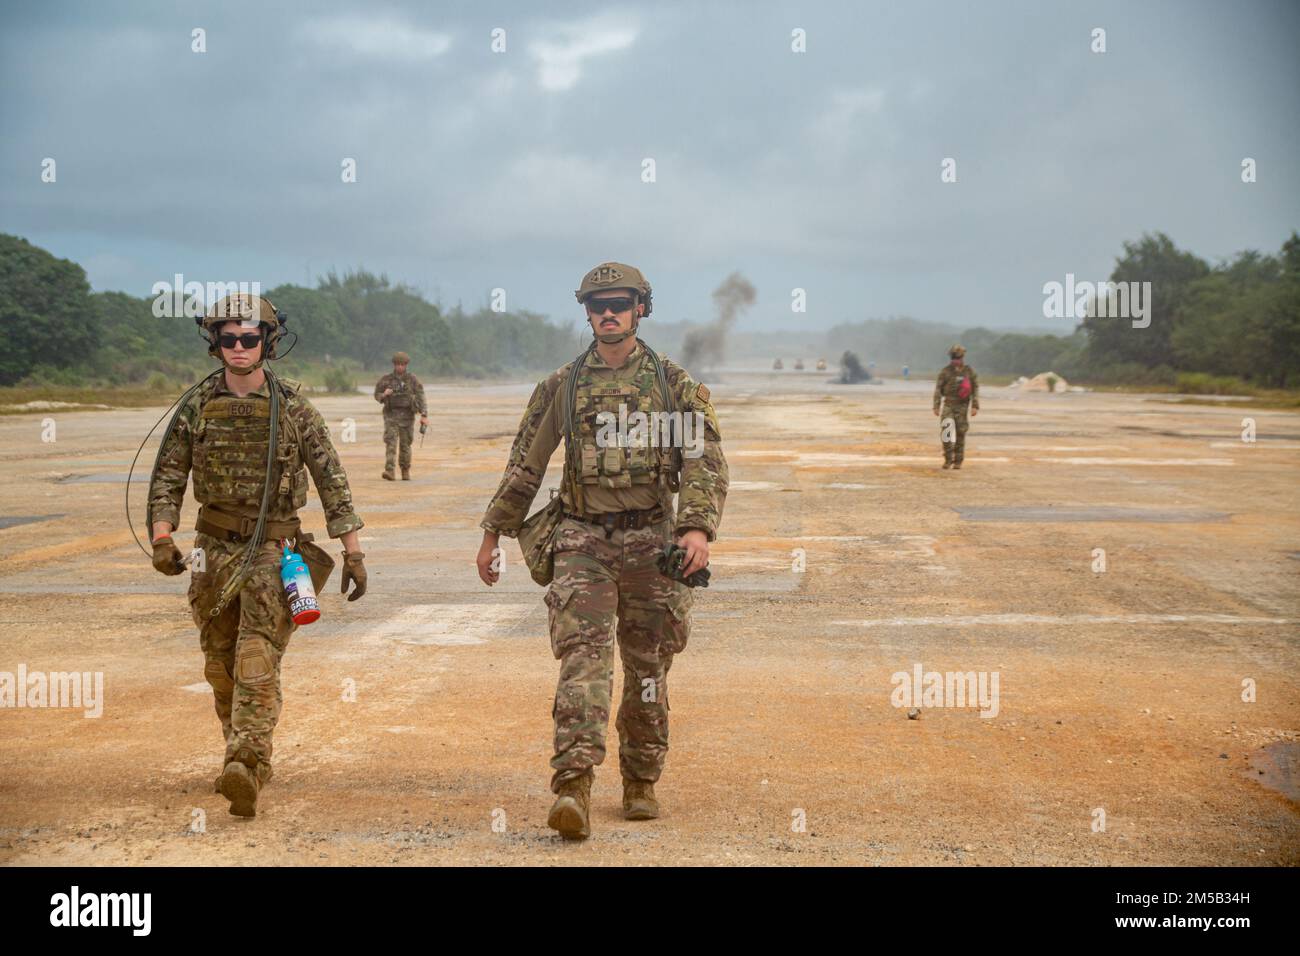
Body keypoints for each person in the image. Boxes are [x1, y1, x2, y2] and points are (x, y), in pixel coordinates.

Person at [475, 262, 728, 839]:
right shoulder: (563, 386)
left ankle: (640, 779)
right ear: (585, 312)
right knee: (582, 663)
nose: (607, 312)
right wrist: (494, 532)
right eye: (596, 304)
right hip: (583, 539)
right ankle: (573, 786)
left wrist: (696, 529)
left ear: (642, 308)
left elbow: (704, 462)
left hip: (652, 542)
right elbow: (526, 464)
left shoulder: (672, 385)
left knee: (647, 668)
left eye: (619, 302)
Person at [148, 293, 368, 817]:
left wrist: (353, 552)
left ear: (267, 342)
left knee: (256, 657)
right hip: (210, 550)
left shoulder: (293, 408)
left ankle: (248, 761)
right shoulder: (196, 407)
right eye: (229, 339)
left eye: (250, 338)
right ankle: (235, 750)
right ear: (216, 344)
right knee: (219, 662)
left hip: (274, 547)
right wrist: (162, 537)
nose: (240, 347)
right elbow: (169, 476)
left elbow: (331, 479)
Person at [374, 351, 428, 480]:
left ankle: (405, 470)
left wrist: (424, 415)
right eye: (397, 364)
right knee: (390, 443)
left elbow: (421, 396)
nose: (400, 367)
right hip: (391, 415)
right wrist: (384, 395)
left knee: (405, 445)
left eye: (402, 364)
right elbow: (376, 394)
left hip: (407, 416)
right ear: (394, 364)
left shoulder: (412, 380)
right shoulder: (386, 379)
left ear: (406, 365)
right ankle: (390, 471)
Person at [932, 344, 980, 470]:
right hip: (949, 405)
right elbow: (938, 389)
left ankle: (958, 461)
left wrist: (975, 406)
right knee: (947, 432)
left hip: (963, 406)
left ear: (963, 357)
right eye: (954, 356)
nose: (956, 359)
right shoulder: (945, 372)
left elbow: (975, 389)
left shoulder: (969, 372)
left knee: (960, 433)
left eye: (959, 356)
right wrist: (936, 406)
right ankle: (948, 459)